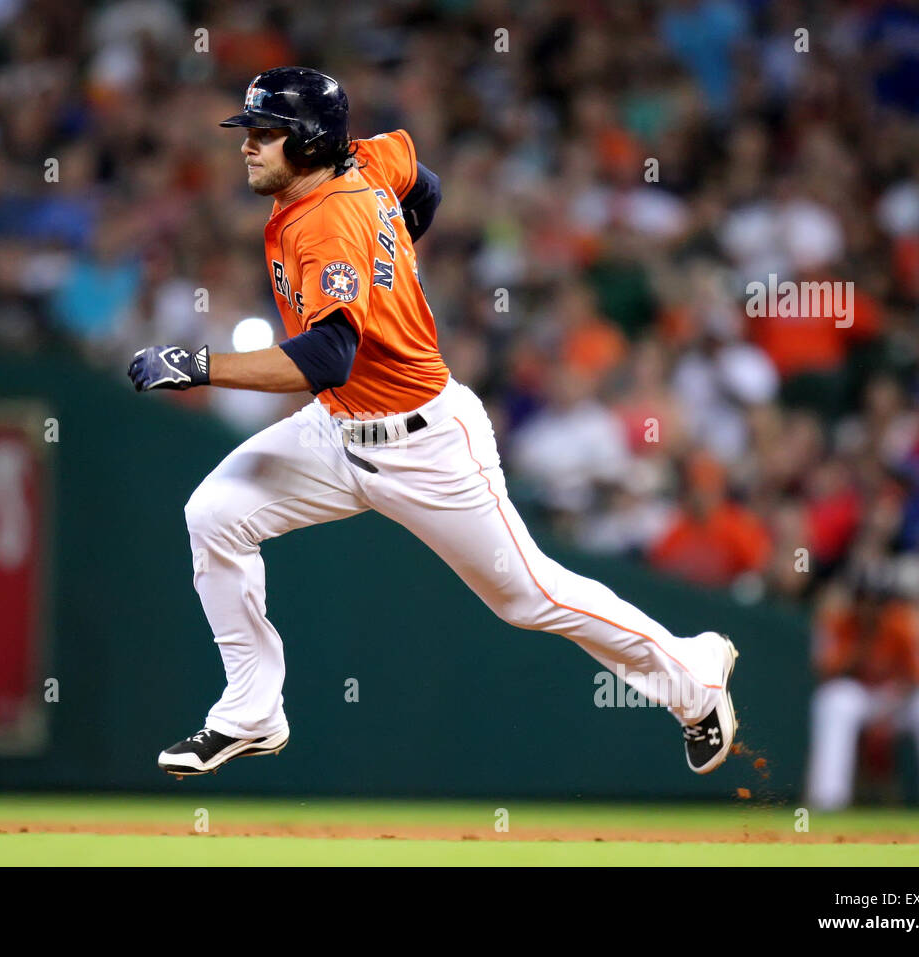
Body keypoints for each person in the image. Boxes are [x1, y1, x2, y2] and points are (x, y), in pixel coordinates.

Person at [127, 67, 739, 778]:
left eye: (266, 133)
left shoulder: (327, 219)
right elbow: (426, 184)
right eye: (251, 132)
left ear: (309, 141)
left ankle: (692, 675)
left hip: (423, 443)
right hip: (337, 427)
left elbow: (325, 355)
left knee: (529, 595)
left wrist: (200, 365)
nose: (249, 145)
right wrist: (390, 265)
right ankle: (251, 710)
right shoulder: (362, 161)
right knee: (215, 514)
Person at [804, 565, 919, 815]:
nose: (871, 607)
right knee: (832, 700)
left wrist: (901, 689)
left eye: (877, 601)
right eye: (864, 600)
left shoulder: (904, 624)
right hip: (860, 698)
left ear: (887, 603)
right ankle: (828, 799)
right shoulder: (840, 624)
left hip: (900, 698)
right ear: (855, 601)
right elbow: (825, 671)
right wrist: (859, 650)